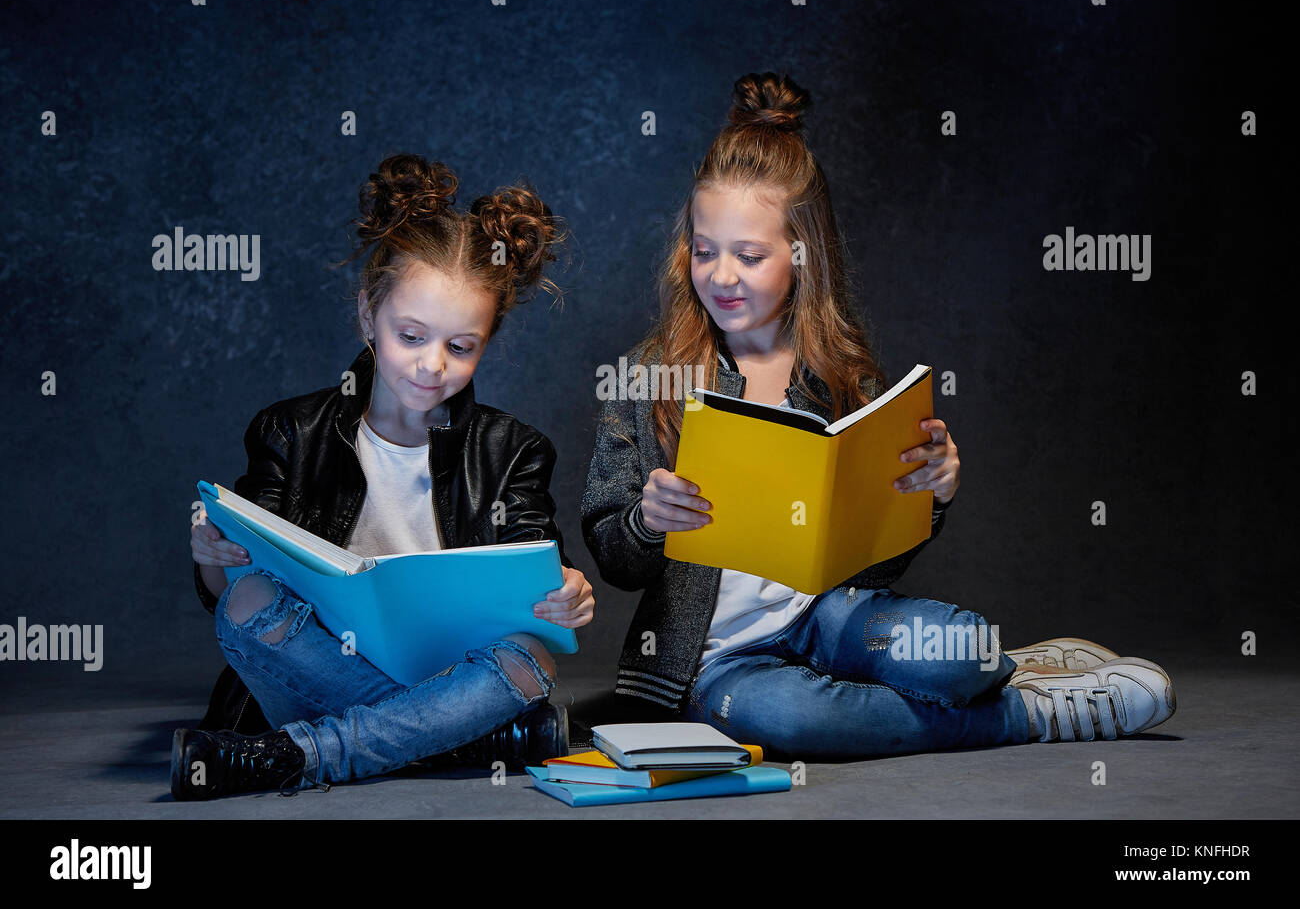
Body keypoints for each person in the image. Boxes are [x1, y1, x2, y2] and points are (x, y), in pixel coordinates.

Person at [579, 72, 1175, 758]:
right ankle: (1028, 712)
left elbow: (878, 564)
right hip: (720, 661)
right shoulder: (648, 376)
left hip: (833, 617)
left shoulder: (840, 372)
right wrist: (649, 520)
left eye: (749, 255)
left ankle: (1003, 672)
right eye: (705, 251)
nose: (722, 276)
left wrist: (932, 493)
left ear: (803, 257)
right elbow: (613, 553)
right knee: (791, 723)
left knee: (964, 653)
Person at [175, 154, 595, 800]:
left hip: (448, 673)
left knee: (529, 655)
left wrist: (566, 592)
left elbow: (531, 577)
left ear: (487, 341)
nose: (432, 366)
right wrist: (212, 553)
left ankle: (296, 755)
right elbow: (227, 589)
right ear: (368, 315)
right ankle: (456, 738)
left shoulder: (513, 448)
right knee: (246, 599)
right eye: (410, 336)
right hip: (320, 673)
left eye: (460, 346)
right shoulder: (291, 430)